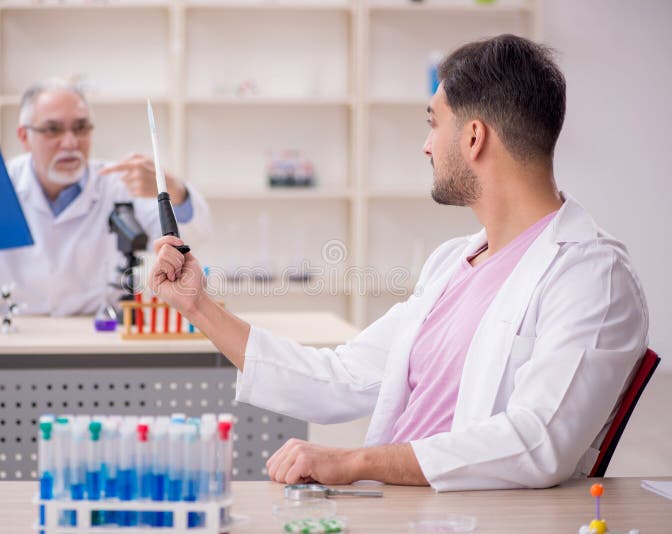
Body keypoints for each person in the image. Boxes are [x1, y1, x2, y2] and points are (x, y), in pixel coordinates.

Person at [150, 35, 649, 491]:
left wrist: (358, 463)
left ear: (474, 137)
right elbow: (341, 378)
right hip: (398, 508)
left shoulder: (589, 276)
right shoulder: (454, 262)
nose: (426, 144)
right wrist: (198, 307)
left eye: (434, 123)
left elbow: (539, 442)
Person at [0, 79, 211, 316]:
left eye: (80, 128)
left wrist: (172, 188)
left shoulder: (117, 185)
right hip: (10, 341)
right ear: (24, 136)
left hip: (95, 339)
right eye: (53, 129)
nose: (70, 142)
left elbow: (192, 236)